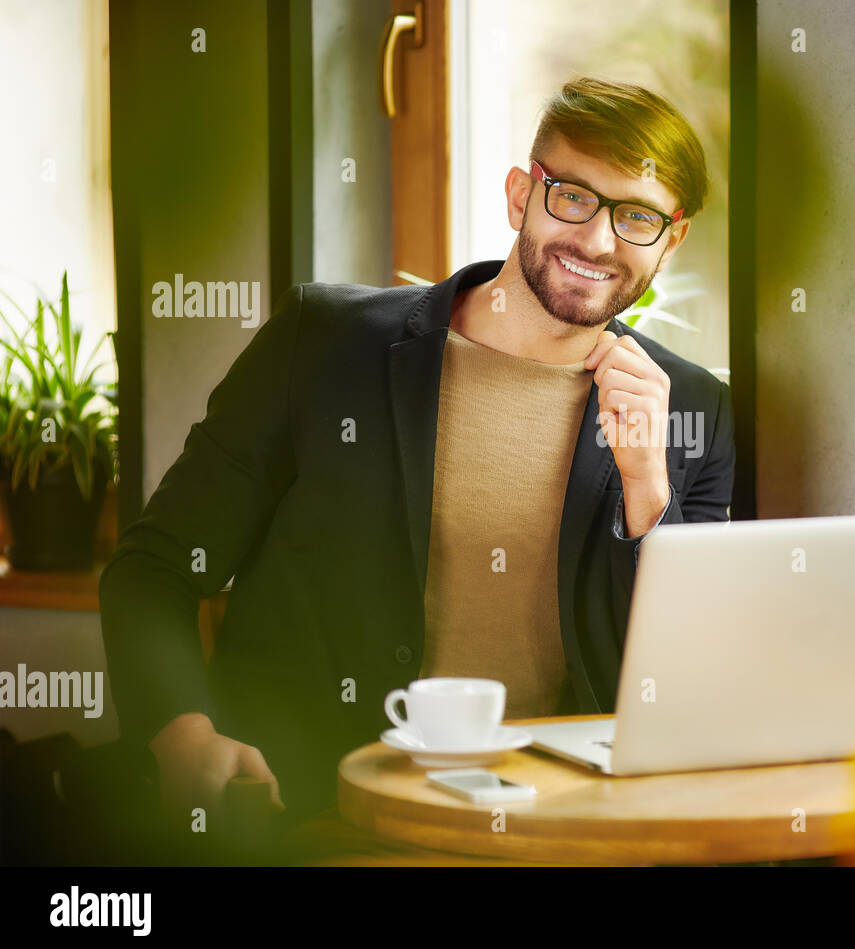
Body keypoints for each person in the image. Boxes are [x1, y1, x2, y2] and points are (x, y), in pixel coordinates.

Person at [99, 76, 736, 825]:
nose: (597, 241)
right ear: (518, 196)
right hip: (307, 815)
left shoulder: (690, 408)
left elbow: (687, 684)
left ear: (672, 238)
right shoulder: (324, 343)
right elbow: (154, 568)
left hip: (559, 830)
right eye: (572, 196)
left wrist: (646, 488)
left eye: (636, 217)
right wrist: (182, 734)